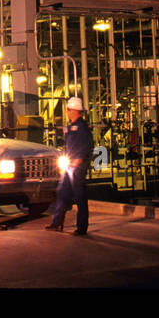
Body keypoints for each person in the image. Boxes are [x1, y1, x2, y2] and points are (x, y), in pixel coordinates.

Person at [46, 96, 94, 236]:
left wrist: (79, 159)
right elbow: (69, 146)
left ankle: (82, 227)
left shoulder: (82, 128)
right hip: (69, 165)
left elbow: (87, 145)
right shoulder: (71, 126)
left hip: (77, 168)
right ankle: (57, 223)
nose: (67, 111)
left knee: (80, 197)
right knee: (62, 192)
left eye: (68, 109)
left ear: (75, 110)